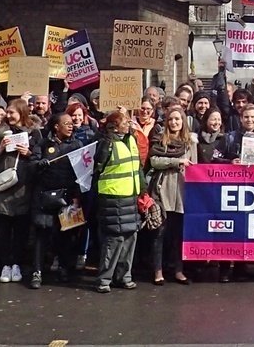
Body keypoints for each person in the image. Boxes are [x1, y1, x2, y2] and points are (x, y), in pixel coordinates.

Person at [0, 99, 38, 286]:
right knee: (3, 231)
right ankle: (5, 265)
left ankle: (17, 264)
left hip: (23, 189)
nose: (8, 116)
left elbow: (40, 160)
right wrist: (0, 149)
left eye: (12, 113)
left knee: (21, 231)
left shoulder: (34, 133)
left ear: (22, 113)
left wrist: (29, 153)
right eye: (7, 112)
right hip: (2, 190)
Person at [33, 110, 87, 286]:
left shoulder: (77, 145)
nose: (71, 126)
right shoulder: (43, 143)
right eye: (67, 123)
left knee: (66, 236)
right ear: (56, 127)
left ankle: (64, 268)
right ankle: (37, 271)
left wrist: (77, 197)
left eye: (72, 123)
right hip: (45, 197)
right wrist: (38, 165)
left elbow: (82, 173)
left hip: (68, 197)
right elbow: (32, 165)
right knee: (42, 234)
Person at [146, 104, 196, 285]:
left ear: (183, 122)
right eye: (171, 119)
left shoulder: (191, 142)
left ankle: (178, 270)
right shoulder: (160, 140)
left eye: (178, 119)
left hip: (182, 191)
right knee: (160, 232)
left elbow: (195, 165)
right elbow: (154, 161)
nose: (174, 122)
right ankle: (158, 271)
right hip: (162, 190)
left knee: (179, 234)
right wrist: (176, 161)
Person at [94, 110, 144, 293]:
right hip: (113, 197)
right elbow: (97, 166)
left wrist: (142, 190)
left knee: (131, 237)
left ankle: (124, 276)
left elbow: (137, 167)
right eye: (125, 121)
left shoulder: (131, 140)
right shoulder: (106, 143)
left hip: (130, 195)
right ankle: (104, 279)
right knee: (114, 239)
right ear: (115, 126)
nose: (129, 123)